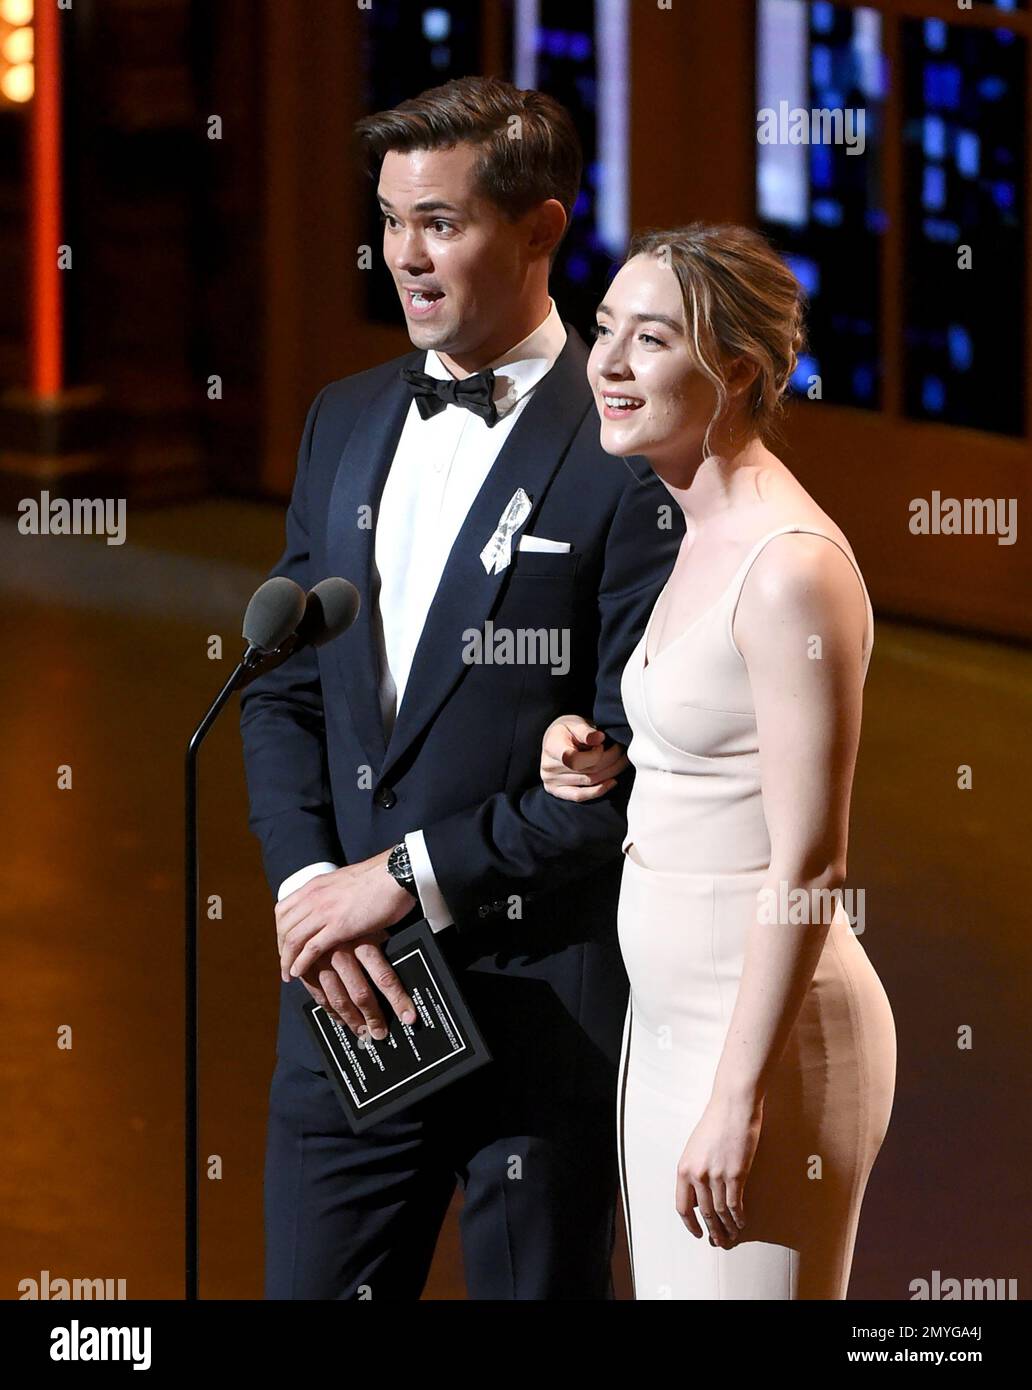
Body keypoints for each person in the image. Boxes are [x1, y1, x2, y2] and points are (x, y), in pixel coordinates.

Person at [237, 76, 682, 1299]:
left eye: (441, 222)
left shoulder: (631, 453)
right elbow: (279, 692)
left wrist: (402, 878)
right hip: (352, 1003)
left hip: (541, 1022)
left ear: (541, 229)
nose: (404, 257)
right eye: (390, 221)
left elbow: (625, 776)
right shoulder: (343, 420)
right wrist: (311, 890)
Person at [539, 223, 897, 1300]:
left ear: (735, 370)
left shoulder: (791, 573)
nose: (605, 363)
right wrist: (601, 754)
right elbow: (712, 743)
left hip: (765, 1049)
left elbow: (810, 865)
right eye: (604, 330)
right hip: (670, 1023)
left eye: (649, 339)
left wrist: (738, 1095)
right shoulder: (691, 521)